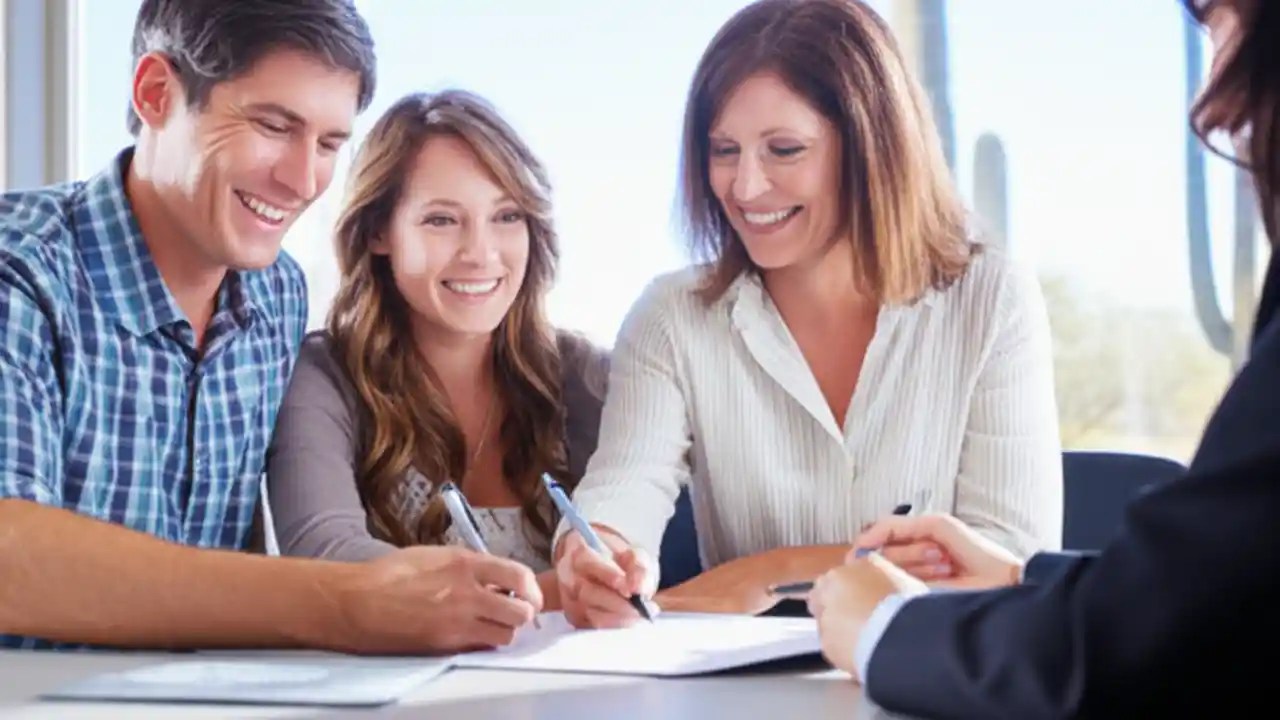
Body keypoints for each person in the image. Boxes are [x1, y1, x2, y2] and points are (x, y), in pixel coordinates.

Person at [0, 0, 540, 654]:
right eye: (273, 125)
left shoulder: (276, 291)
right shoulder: (21, 273)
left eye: (330, 144)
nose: (301, 178)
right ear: (155, 93)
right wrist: (344, 601)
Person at [806, 0, 1280, 716]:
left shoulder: (990, 292)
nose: (1214, 109)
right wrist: (1019, 576)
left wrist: (884, 627)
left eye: (1222, 29)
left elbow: (1137, 660)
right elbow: (1230, 601)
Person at [554, 0, 1063, 629]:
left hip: (936, 682)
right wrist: (598, 552)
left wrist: (766, 571)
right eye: (723, 150)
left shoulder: (992, 298)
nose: (744, 187)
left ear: (872, 148)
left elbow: (1007, 561)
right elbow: (625, 487)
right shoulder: (671, 318)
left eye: (785, 149)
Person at [265, 90, 609, 620]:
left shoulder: (585, 377)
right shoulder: (325, 375)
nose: (480, 254)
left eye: (507, 216)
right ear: (379, 231)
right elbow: (325, 556)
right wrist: (559, 593)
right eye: (442, 221)